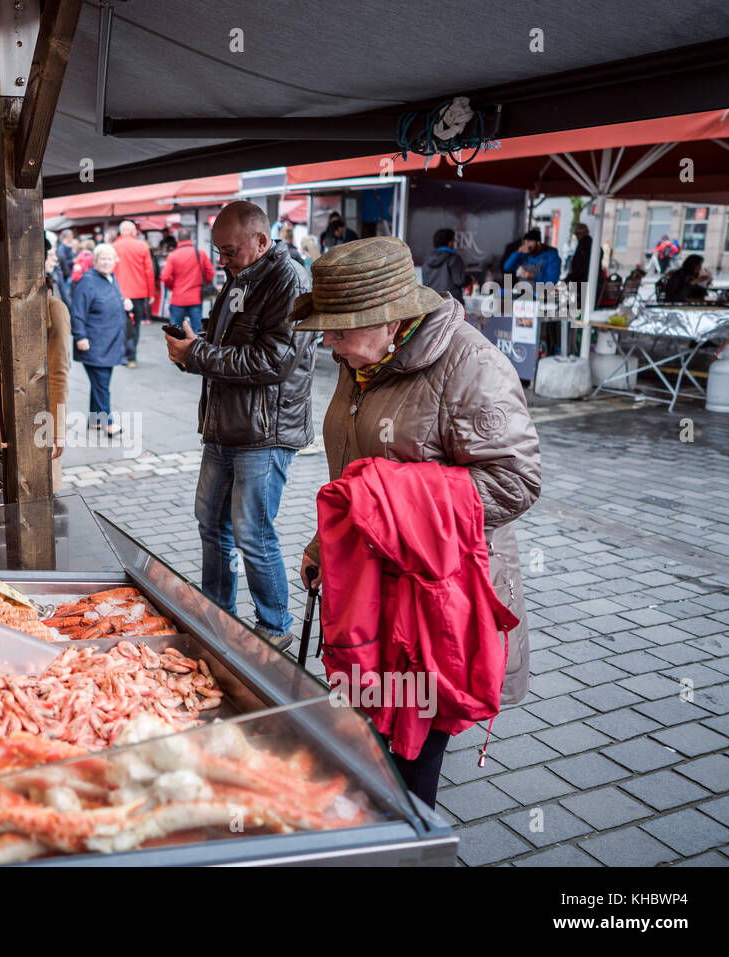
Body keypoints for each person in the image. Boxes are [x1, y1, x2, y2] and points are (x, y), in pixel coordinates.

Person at [291, 236, 540, 807]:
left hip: (437, 603)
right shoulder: (362, 357)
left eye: (339, 329)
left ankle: (410, 844)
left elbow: (516, 482)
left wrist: (385, 503)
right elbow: (360, 477)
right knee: (368, 737)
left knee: (411, 759)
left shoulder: (471, 365)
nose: (327, 343)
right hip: (372, 587)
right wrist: (323, 543)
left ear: (392, 319)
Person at [165, 201, 315, 646]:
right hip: (227, 424)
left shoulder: (290, 281)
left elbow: (276, 361)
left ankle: (273, 628)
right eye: (219, 252)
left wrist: (198, 354)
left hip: (264, 433)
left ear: (261, 241)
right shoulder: (239, 276)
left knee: (252, 533)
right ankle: (218, 614)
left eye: (229, 251)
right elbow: (224, 341)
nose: (222, 261)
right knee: (211, 524)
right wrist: (193, 347)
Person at [0, 241, 72, 489]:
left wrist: (57, 428)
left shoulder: (54, 310)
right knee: (0, 485)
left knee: (34, 490)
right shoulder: (0, 302)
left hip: (33, 415)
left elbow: (58, 374)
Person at [70, 245, 129, 436]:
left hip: (110, 342)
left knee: (100, 382)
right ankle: (107, 423)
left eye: (110, 259)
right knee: (101, 384)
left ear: (115, 261)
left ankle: (95, 420)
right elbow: (77, 312)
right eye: (102, 259)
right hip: (94, 343)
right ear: (95, 261)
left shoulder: (112, 279)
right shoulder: (87, 282)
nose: (106, 262)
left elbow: (110, 301)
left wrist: (123, 303)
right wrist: (80, 336)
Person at [111, 221, 156, 367]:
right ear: (133, 230)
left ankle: (123, 354)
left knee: (120, 324)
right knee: (135, 325)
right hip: (138, 292)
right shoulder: (142, 246)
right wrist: (150, 293)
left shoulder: (113, 247)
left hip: (118, 293)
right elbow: (149, 271)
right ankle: (132, 356)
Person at [160, 229, 215, 333]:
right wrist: (203, 283)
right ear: (191, 239)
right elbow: (210, 273)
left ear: (177, 240)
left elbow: (165, 277)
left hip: (177, 298)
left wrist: (172, 287)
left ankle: (179, 349)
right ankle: (195, 349)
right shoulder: (200, 253)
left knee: (176, 331)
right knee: (197, 331)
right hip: (195, 298)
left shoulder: (173, 256)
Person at [422, 228, 467, 304]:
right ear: (449, 243)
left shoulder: (427, 260)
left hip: (432, 304)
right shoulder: (454, 258)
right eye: (453, 240)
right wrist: (470, 279)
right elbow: (460, 281)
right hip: (451, 304)